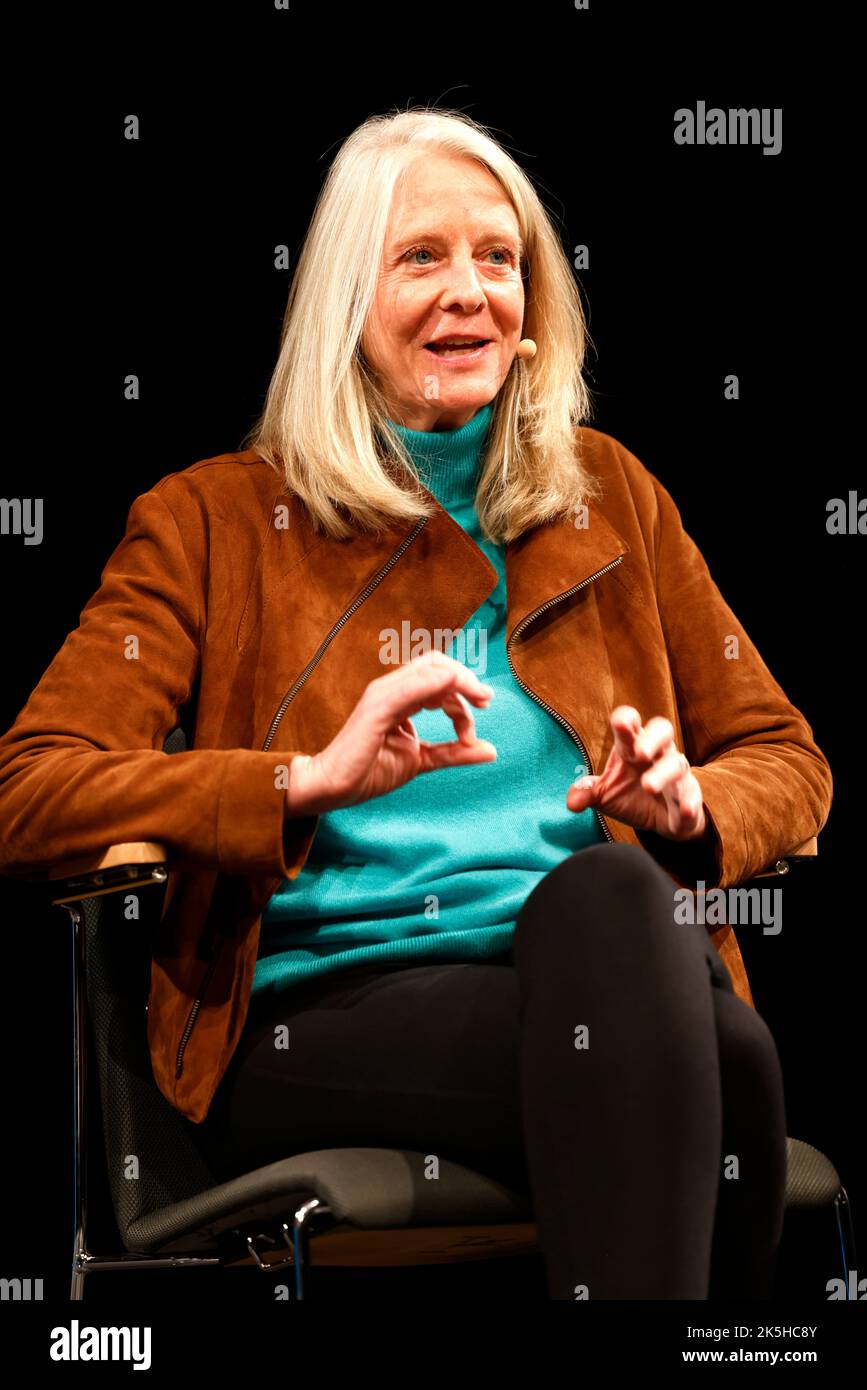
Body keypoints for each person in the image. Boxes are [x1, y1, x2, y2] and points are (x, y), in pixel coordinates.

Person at [0, 109, 832, 1300]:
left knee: (624, 918)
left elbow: (789, 757)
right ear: (345, 295)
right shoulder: (212, 522)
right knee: (724, 1060)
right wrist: (300, 779)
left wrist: (693, 804)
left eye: (500, 259)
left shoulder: (613, 499)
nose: (471, 292)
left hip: (614, 978)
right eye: (422, 258)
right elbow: (29, 789)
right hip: (327, 1017)